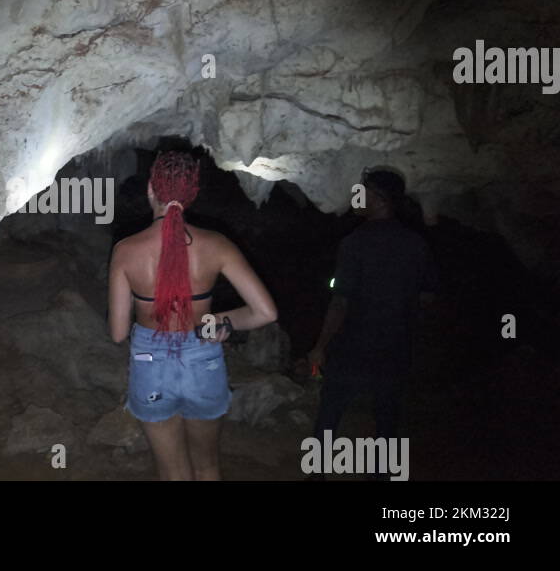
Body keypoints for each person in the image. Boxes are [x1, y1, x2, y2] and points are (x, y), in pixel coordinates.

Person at [107, 151, 278, 480]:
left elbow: (117, 332)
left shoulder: (126, 250)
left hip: (149, 361)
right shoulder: (217, 244)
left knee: (173, 471)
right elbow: (265, 312)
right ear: (192, 195)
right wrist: (219, 323)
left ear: (150, 191)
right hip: (203, 357)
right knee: (207, 465)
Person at [308, 166, 437, 478]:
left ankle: (317, 473)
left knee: (331, 408)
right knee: (387, 414)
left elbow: (340, 300)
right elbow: (427, 297)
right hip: (395, 343)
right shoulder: (416, 244)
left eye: (362, 192)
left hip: (354, 341)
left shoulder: (355, 243)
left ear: (379, 200)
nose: (357, 197)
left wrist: (320, 346)